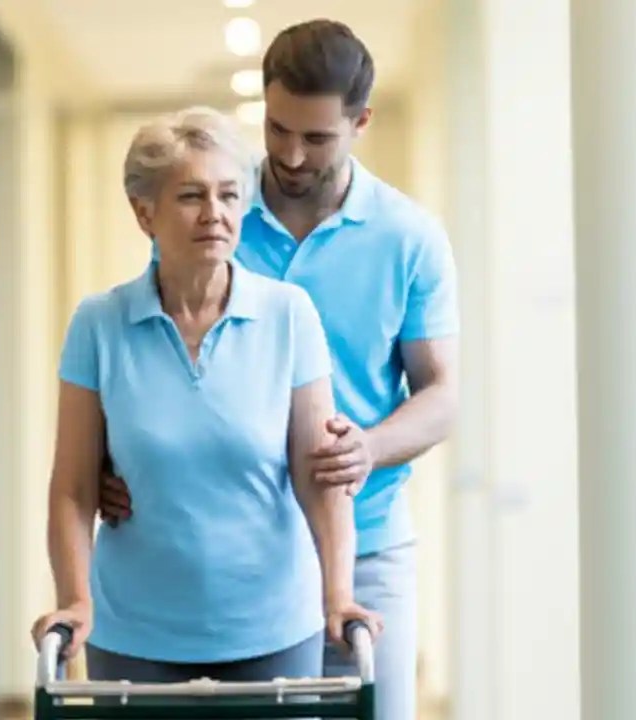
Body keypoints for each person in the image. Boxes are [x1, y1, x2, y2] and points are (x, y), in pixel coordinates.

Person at [100, 19, 460, 720]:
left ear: (361, 122)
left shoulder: (409, 238)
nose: (291, 156)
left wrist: (368, 448)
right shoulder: (216, 206)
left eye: (317, 138)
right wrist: (120, 463)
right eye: (278, 129)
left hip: (367, 542)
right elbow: (159, 354)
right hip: (242, 563)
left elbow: (443, 393)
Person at [29, 107, 380, 691]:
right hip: (135, 632)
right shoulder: (99, 324)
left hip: (271, 626)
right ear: (145, 213)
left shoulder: (289, 314)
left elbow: (318, 477)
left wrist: (338, 594)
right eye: (192, 196)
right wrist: (74, 599)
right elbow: (73, 487)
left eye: (229, 195)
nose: (215, 214)